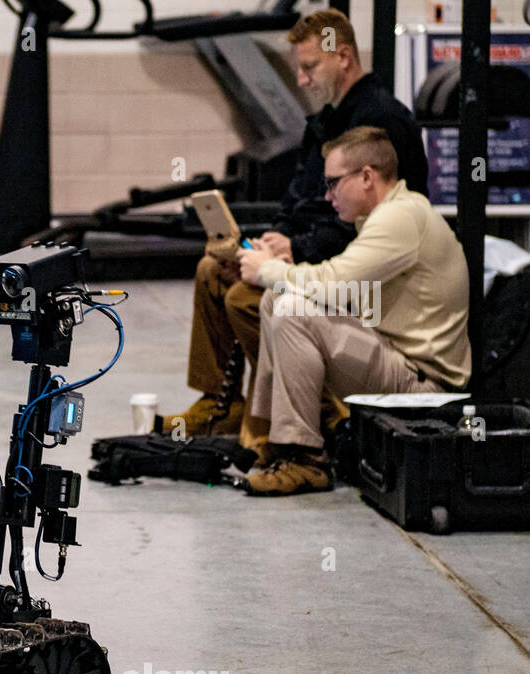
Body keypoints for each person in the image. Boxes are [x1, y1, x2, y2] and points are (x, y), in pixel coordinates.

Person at [168, 7, 430, 440]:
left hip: (358, 269)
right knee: (212, 271)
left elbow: (369, 225)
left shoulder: (383, 121)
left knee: (245, 298)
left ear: (343, 55)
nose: (302, 79)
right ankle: (221, 402)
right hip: (312, 247)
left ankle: (312, 412)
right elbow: (301, 198)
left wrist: (296, 251)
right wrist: (273, 240)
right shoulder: (327, 119)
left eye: (309, 67)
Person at [236, 126, 469, 496]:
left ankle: (305, 459)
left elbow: (334, 281)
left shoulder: (400, 218)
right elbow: (345, 290)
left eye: (332, 183)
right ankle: (270, 439)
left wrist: (268, 270)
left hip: (424, 384)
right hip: (399, 360)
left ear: (366, 177)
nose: (327, 196)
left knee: (291, 307)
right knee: (276, 301)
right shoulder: (390, 214)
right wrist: (280, 277)